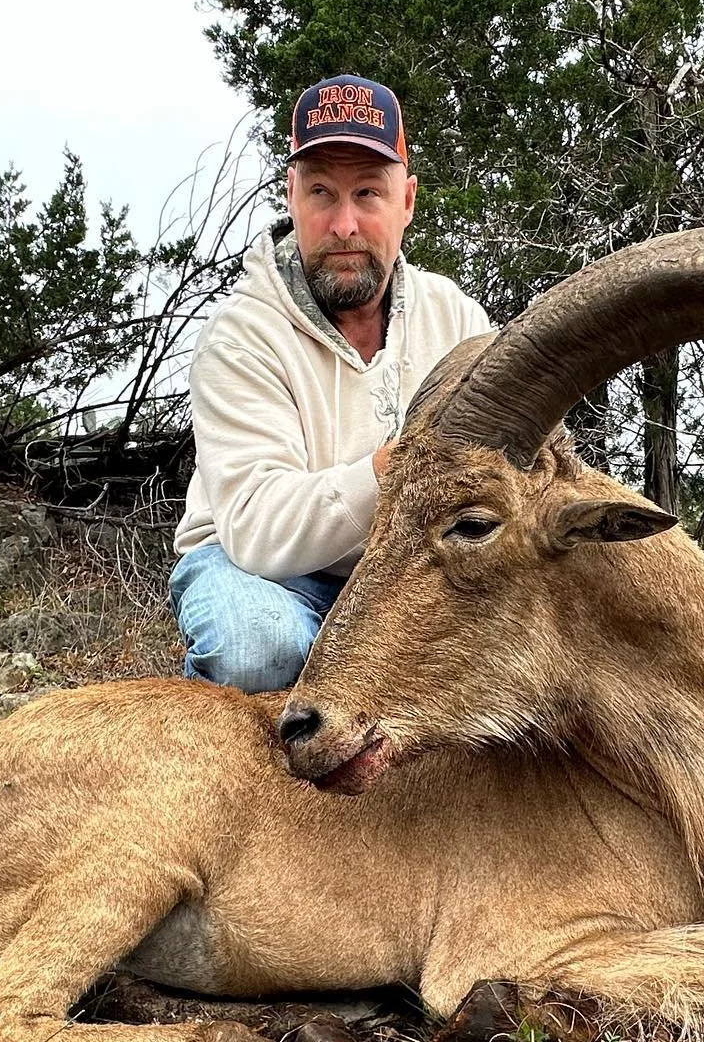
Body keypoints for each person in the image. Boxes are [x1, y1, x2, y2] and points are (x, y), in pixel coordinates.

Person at [169, 75, 493, 692]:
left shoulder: (458, 321)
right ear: (291, 195)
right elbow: (260, 531)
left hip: (409, 570)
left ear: (408, 202)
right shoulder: (241, 335)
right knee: (253, 646)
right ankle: (220, 760)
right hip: (259, 573)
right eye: (322, 191)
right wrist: (401, 467)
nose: (344, 224)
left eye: (368, 193)